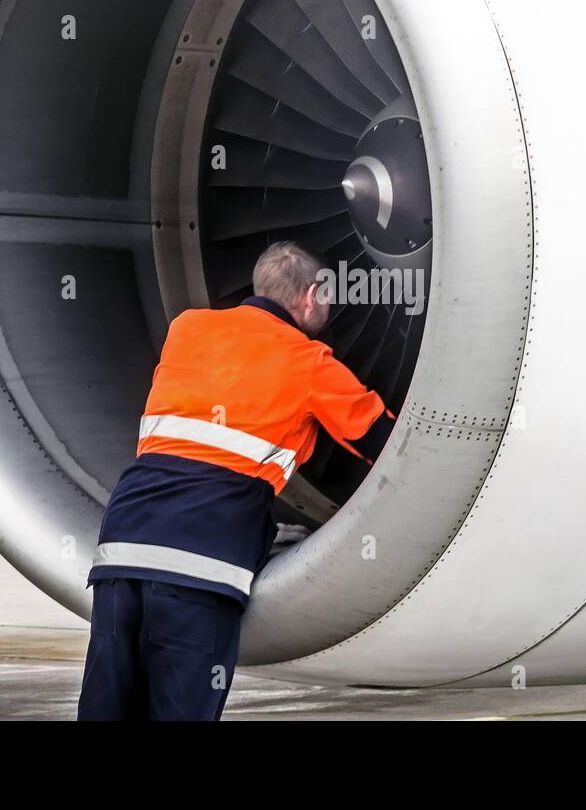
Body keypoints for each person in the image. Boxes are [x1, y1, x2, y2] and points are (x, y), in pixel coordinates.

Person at [77, 241, 395, 721]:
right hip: (200, 559)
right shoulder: (309, 362)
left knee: (106, 707)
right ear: (311, 297)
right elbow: (382, 440)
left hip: (122, 546)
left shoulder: (188, 329)